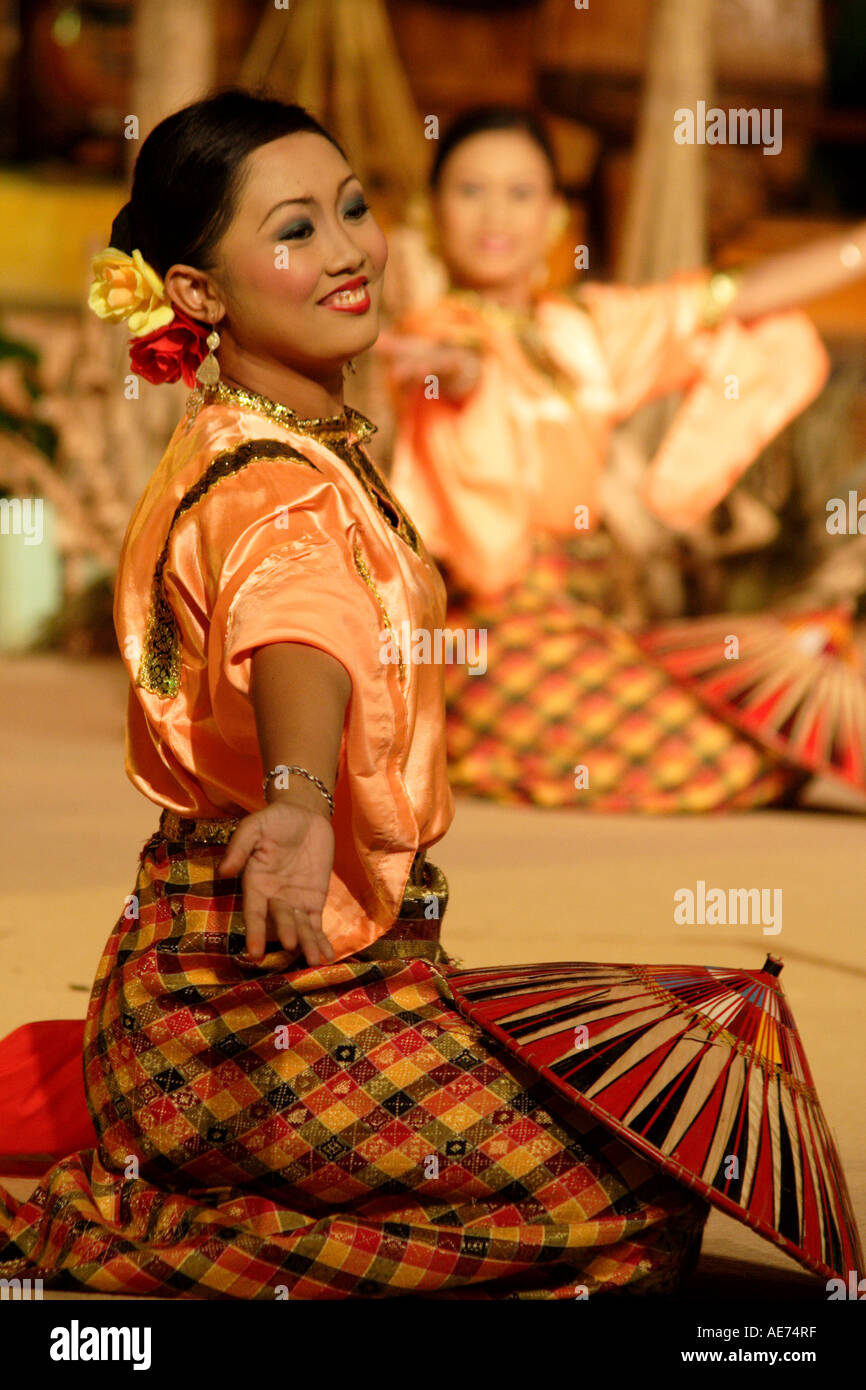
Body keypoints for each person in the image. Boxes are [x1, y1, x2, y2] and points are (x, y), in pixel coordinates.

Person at [0, 91, 710, 1299]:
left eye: (351, 209)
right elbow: (300, 622)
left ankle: (188, 1183)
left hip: (312, 961)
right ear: (198, 293)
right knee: (621, 1201)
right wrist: (295, 794)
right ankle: (148, 1231)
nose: (344, 252)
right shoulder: (266, 480)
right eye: (294, 231)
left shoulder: (294, 438)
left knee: (658, 1128)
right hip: (243, 999)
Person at [380, 106, 866, 812]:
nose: (496, 214)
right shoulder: (437, 330)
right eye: (470, 189)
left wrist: (858, 247)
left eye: (520, 194)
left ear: (552, 217)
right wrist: (453, 370)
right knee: (727, 746)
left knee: (777, 685)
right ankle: (467, 740)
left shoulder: (583, 330)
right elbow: (462, 368)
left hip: (586, 623)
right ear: (432, 212)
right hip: (484, 635)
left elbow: (726, 298)